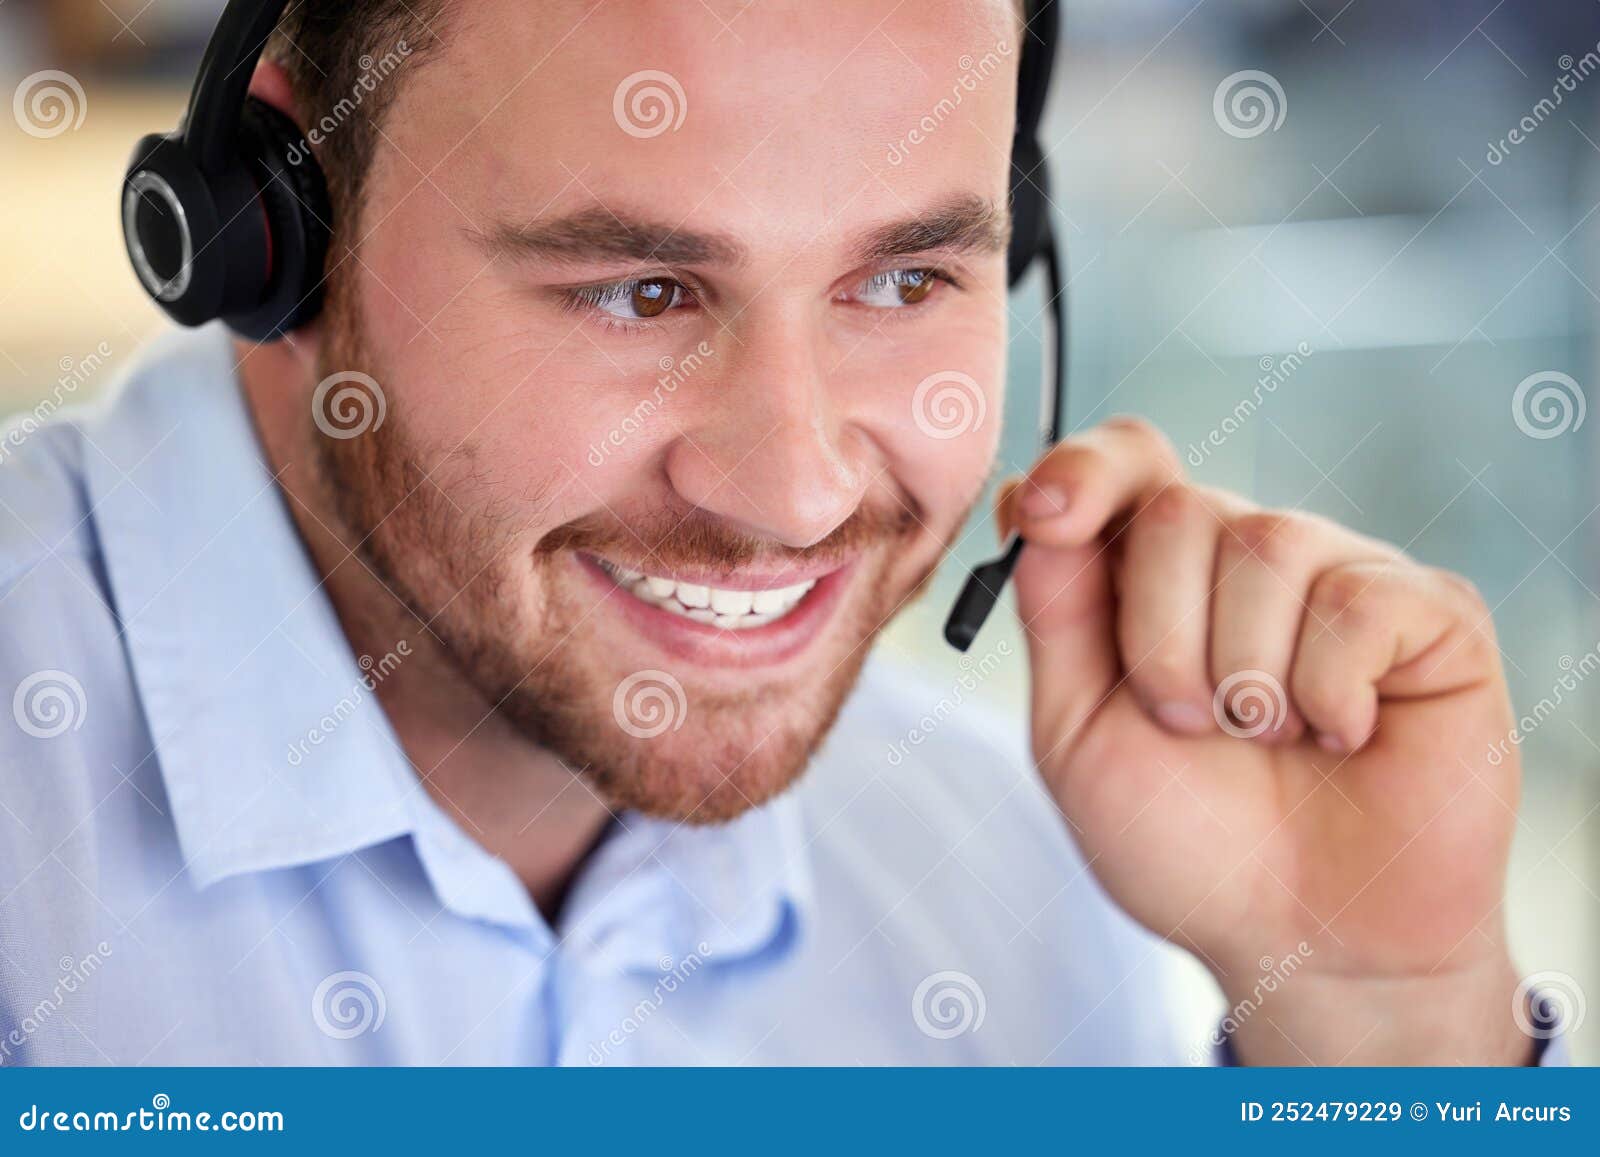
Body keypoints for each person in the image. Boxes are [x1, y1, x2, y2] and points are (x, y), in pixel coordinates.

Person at [0, 0, 1566, 1065]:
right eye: (638, 292)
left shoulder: (1014, 882)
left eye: (905, 283)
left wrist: (1388, 1017)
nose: (797, 493)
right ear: (274, 221)